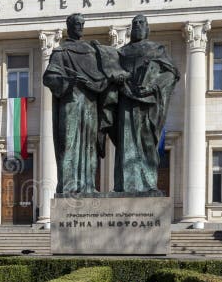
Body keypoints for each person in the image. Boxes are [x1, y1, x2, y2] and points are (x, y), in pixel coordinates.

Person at [42, 13, 126, 193]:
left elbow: (101, 78)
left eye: (82, 24)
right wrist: (68, 81)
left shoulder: (92, 51)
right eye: (76, 24)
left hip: (90, 104)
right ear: (69, 26)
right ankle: (69, 187)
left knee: (90, 145)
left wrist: (109, 82)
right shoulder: (61, 52)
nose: (80, 27)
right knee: (69, 144)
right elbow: (50, 76)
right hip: (71, 103)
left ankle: (88, 186)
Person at [111, 14, 180, 194]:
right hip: (126, 102)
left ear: (147, 28)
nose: (138, 26)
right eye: (135, 24)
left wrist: (153, 86)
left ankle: (148, 184)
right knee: (126, 144)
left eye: (142, 23)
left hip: (148, 104)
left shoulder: (157, 49)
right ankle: (125, 185)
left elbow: (171, 73)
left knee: (147, 142)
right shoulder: (122, 52)